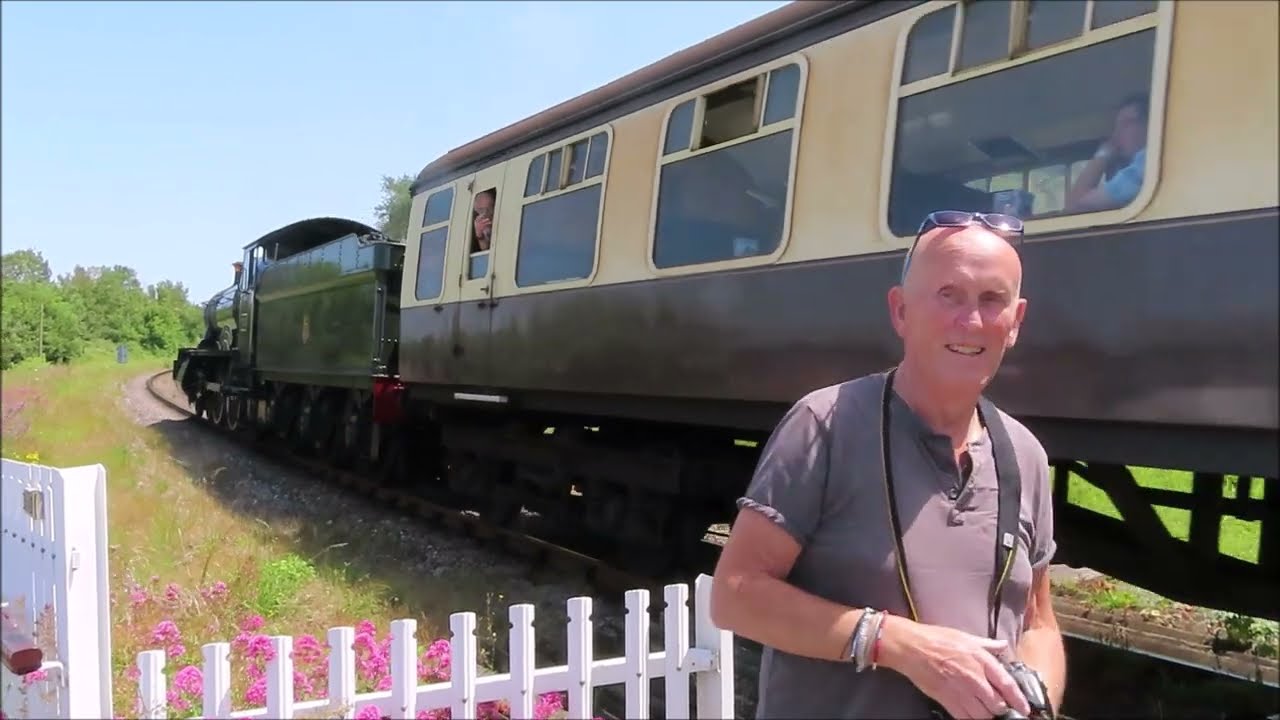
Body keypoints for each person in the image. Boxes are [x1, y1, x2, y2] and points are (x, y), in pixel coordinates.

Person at [710, 210, 1066, 719]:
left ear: (1016, 322)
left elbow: (1038, 624)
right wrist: (896, 644)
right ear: (900, 311)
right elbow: (735, 595)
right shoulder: (825, 424)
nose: (971, 321)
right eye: (949, 295)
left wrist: (1035, 697)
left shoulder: (1024, 453)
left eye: (993, 300)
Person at [1065, 93, 1148, 213]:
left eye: (1126, 124)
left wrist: (1103, 154)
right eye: (1117, 127)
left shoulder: (1145, 163)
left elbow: (1075, 206)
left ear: (1150, 123)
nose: (1116, 135)